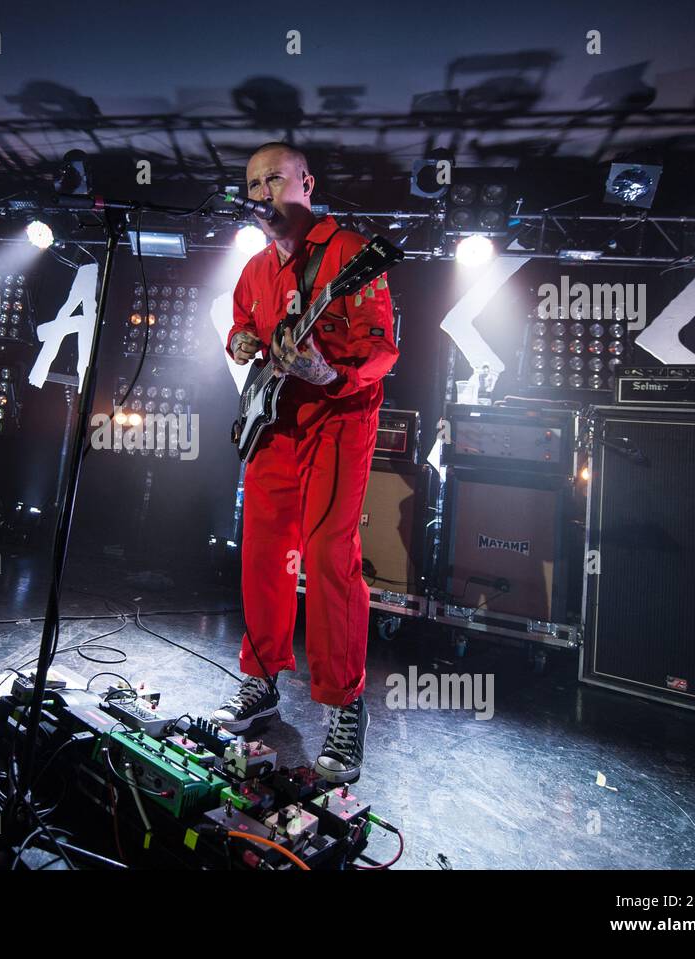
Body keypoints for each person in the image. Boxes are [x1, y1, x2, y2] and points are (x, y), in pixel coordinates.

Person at [212, 142, 399, 784]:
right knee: (263, 553)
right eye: (253, 182)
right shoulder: (257, 267)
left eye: (274, 178)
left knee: (327, 557)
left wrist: (329, 372)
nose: (261, 190)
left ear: (307, 184)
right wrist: (240, 341)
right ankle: (262, 680)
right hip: (275, 425)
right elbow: (242, 327)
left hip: (338, 420)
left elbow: (382, 349)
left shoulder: (349, 253)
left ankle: (346, 707)